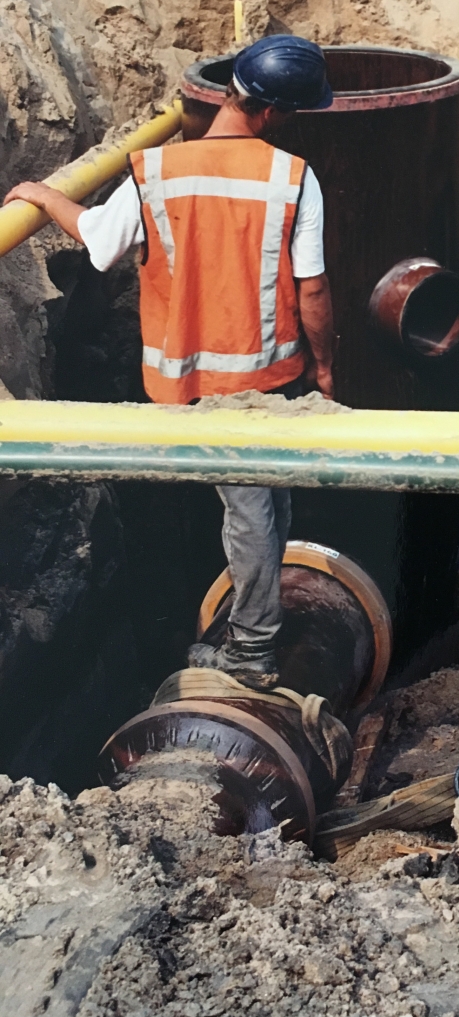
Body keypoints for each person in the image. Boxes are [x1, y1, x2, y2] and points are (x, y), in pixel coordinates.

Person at [3, 35, 336, 691]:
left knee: (248, 511)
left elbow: (100, 243)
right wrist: (325, 372)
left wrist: (45, 198)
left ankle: (251, 634)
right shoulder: (292, 177)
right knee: (255, 511)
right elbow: (314, 290)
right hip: (262, 383)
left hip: (182, 385)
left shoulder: (158, 170)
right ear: (271, 112)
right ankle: (254, 651)